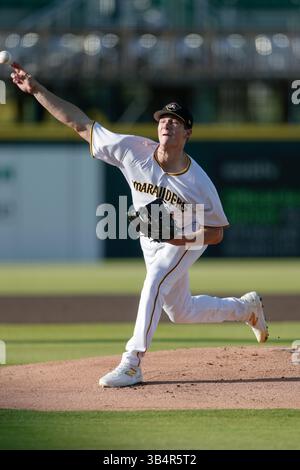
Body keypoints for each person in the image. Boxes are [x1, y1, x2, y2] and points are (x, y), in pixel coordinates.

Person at [11, 63, 269, 388]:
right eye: (163, 119)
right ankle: (246, 308)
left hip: (186, 236)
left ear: (187, 133)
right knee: (181, 311)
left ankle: (132, 362)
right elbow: (79, 123)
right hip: (152, 237)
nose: (167, 124)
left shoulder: (199, 183)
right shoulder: (133, 151)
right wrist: (35, 90)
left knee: (156, 278)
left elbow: (216, 232)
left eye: (176, 121)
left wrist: (179, 237)